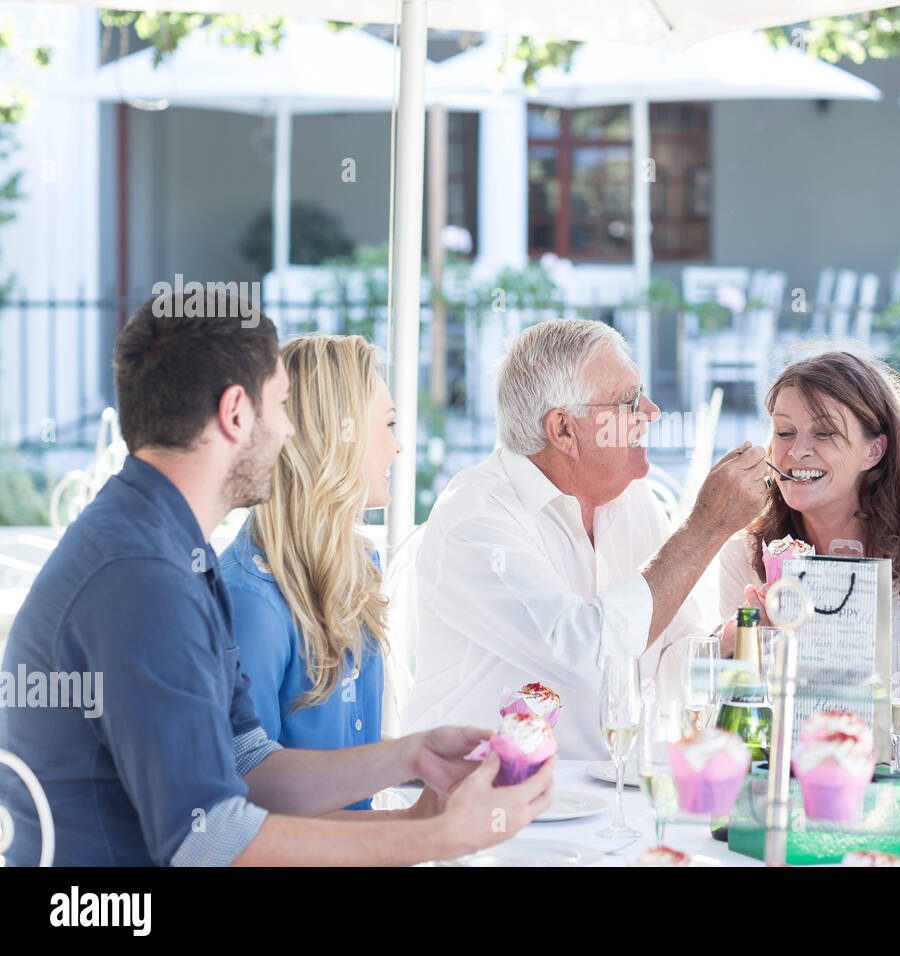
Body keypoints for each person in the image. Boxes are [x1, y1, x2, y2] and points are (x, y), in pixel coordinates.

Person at [0, 295, 551, 866]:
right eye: (283, 404)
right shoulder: (143, 578)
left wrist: (412, 757)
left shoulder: (171, 546)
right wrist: (436, 840)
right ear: (236, 412)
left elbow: (249, 763)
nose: (292, 432)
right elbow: (209, 842)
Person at [403, 318, 770, 759]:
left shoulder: (630, 498)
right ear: (562, 429)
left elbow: (664, 667)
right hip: (478, 802)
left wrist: (728, 647)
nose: (651, 412)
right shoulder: (476, 518)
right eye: (628, 401)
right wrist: (704, 529)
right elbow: (587, 657)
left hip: (596, 799)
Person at [717, 351, 900, 760]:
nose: (797, 451)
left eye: (825, 433)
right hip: (789, 778)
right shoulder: (745, 551)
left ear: (874, 451)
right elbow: (735, 705)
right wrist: (739, 643)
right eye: (784, 432)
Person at [220, 335, 399, 810]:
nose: (398, 446)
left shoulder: (361, 567)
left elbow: (348, 758)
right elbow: (246, 808)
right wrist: (416, 829)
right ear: (336, 436)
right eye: (387, 425)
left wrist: (429, 769)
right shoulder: (250, 601)